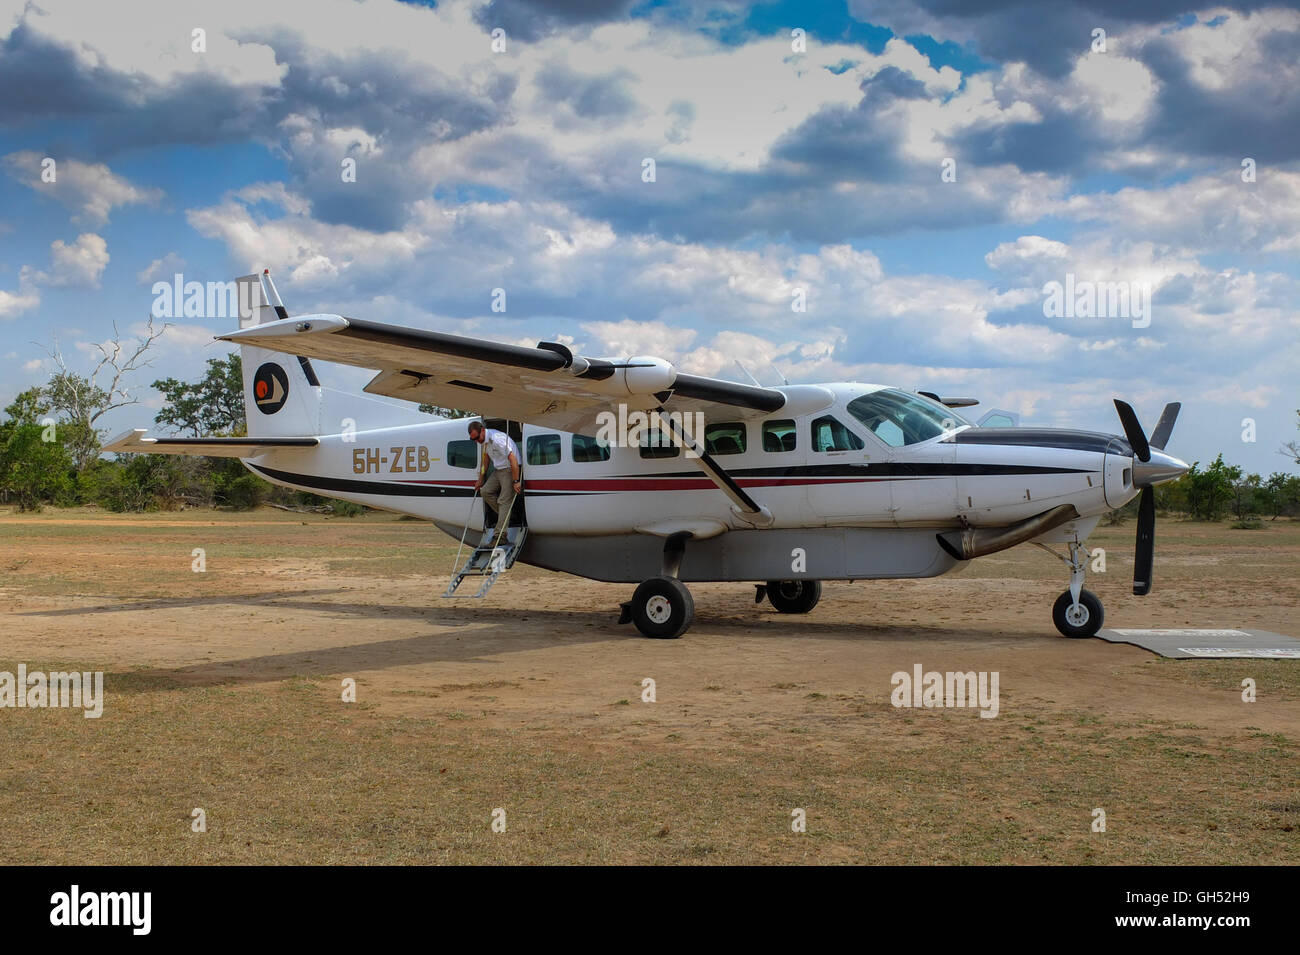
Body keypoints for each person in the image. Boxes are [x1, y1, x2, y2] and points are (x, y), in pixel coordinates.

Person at [468, 420, 522, 544]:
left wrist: (516, 480)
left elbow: (513, 459)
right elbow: (485, 460)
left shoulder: (497, 439)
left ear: (482, 430)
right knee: (485, 492)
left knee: (503, 501)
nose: (476, 441)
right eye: (473, 440)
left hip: (510, 469)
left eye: (477, 438)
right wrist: (480, 479)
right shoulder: (484, 442)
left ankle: (500, 536)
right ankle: (508, 516)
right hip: (499, 470)